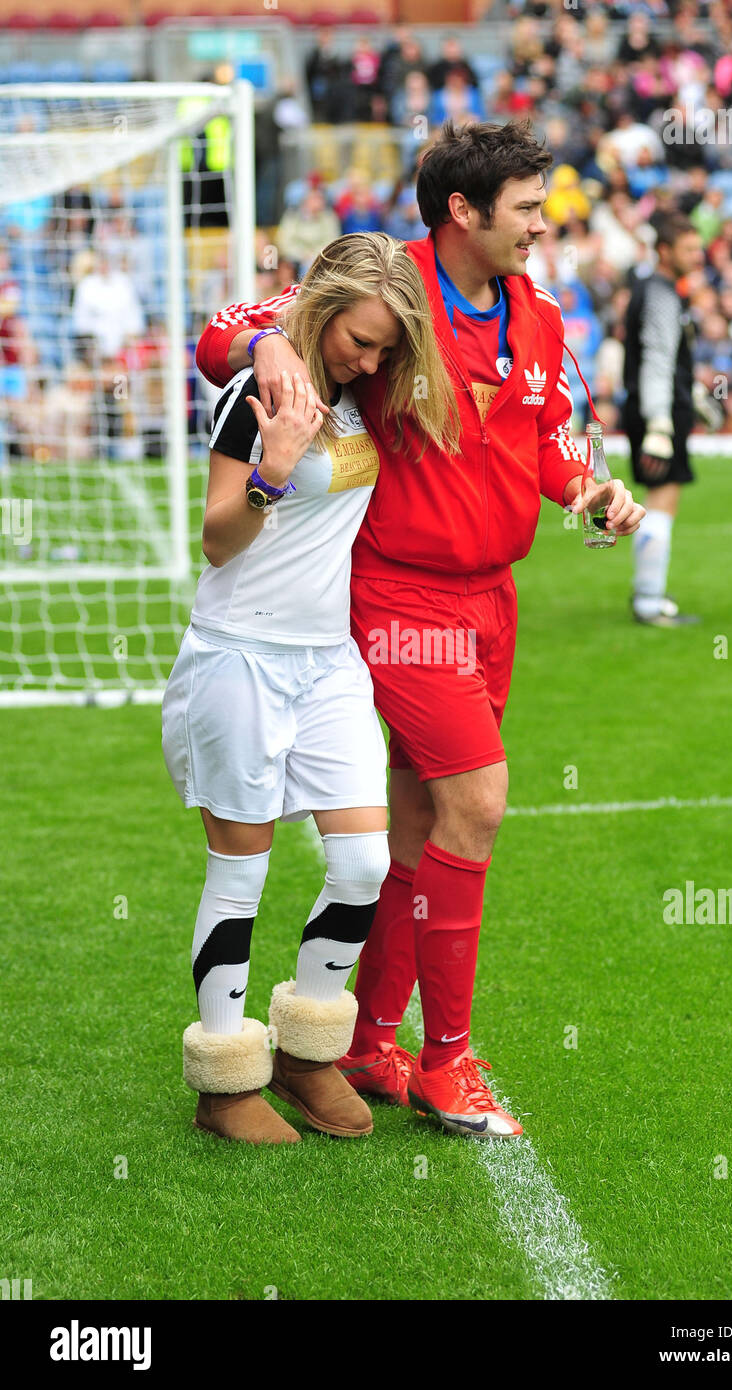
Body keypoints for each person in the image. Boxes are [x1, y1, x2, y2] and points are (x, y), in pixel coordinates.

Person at [196, 121, 645, 1140]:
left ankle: (361, 1040)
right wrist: (269, 339)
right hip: (402, 597)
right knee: (476, 805)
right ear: (462, 212)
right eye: (526, 207)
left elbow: (551, 436)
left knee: (412, 819)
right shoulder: (389, 287)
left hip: (494, 597)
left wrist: (590, 491)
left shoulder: (536, 312)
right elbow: (221, 330)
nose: (542, 223)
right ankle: (447, 1061)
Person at [164, 232, 458, 1146]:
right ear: (323, 309)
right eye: (357, 340)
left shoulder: (365, 396)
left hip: (329, 663)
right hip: (238, 656)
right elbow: (214, 542)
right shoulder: (256, 400)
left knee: (365, 863)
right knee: (241, 870)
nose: (367, 359)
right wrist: (273, 475)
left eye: (382, 349)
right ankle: (225, 1079)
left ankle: (305, 1052)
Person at [622, 211, 705, 627]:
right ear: (665, 250)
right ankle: (650, 601)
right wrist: (659, 423)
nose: (697, 255)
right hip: (660, 414)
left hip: (658, 408)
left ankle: (649, 595)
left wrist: (699, 396)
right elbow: (657, 360)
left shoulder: (660, 290)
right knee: (662, 501)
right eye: (689, 248)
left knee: (660, 499)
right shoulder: (661, 294)